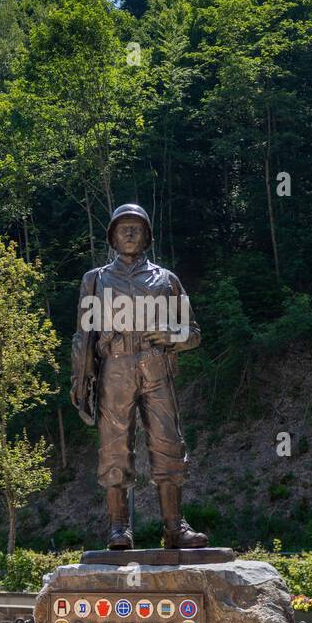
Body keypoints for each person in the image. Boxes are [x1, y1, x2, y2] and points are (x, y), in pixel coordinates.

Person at [70, 203, 208, 550]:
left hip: (155, 365)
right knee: (114, 447)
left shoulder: (166, 279)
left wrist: (172, 336)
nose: (129, 233)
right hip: (114, 367)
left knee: (168, 443)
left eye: (136, 228)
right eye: (122, 228)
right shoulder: (95, 279)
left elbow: (193, 333)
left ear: (147, 236)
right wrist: (80, 380)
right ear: (112, 237)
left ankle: (174, 527)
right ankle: (118, 528)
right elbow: (82, 335)